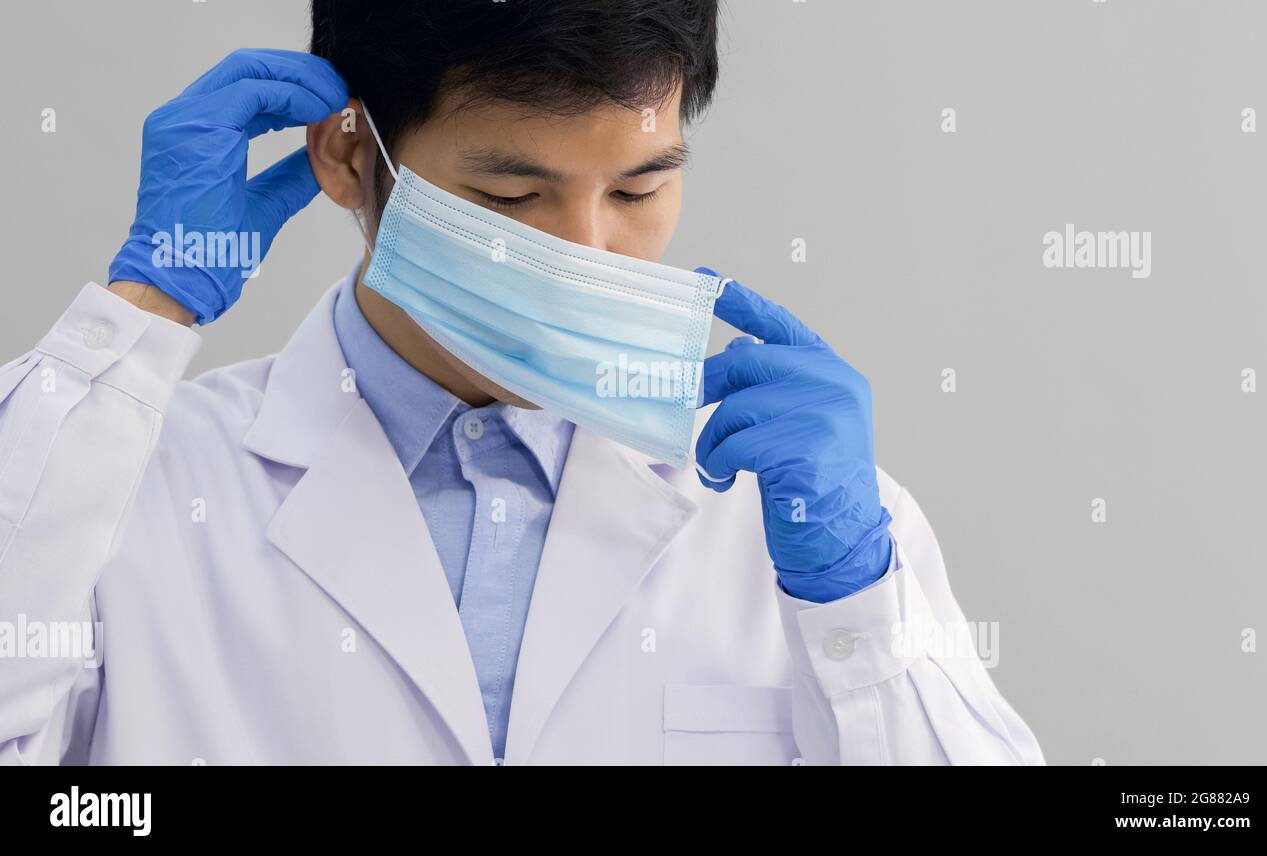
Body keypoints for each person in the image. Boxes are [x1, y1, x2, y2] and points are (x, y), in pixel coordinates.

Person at [0, 0, 1043, 765]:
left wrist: (854, 601)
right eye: (509, 194)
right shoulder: (129, 487)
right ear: (348, 159)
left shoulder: (797, 521)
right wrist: (141, 313)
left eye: (640, 186)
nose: (587, 250)